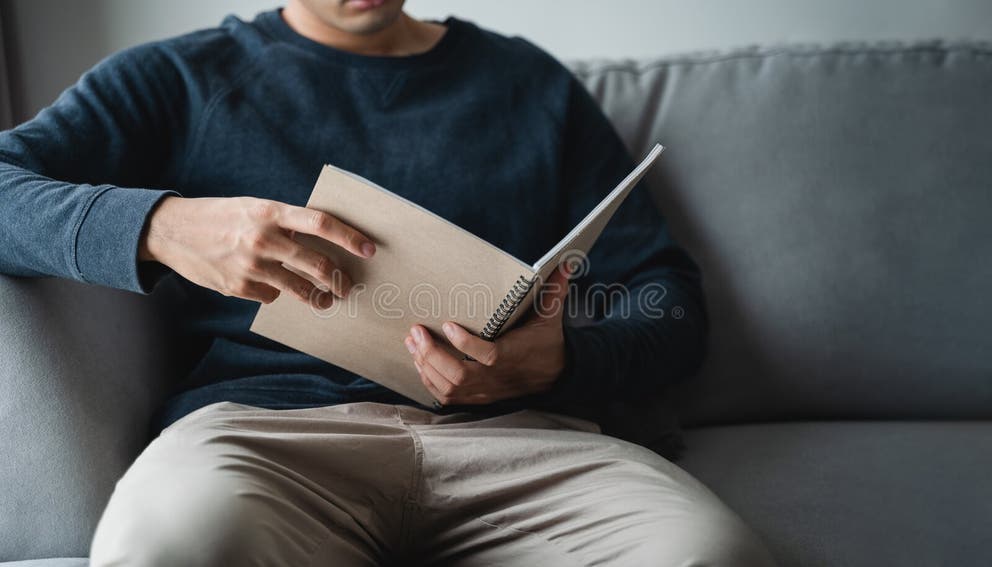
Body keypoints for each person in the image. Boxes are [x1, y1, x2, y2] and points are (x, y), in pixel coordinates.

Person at [0, 0, 777, 565]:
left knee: (708, 554)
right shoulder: (180, 79)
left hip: (524, 442)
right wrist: (162, 227)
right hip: (266, 438)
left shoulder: (529, 83)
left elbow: (666, 297)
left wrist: (564, 361)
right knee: (165, 547)